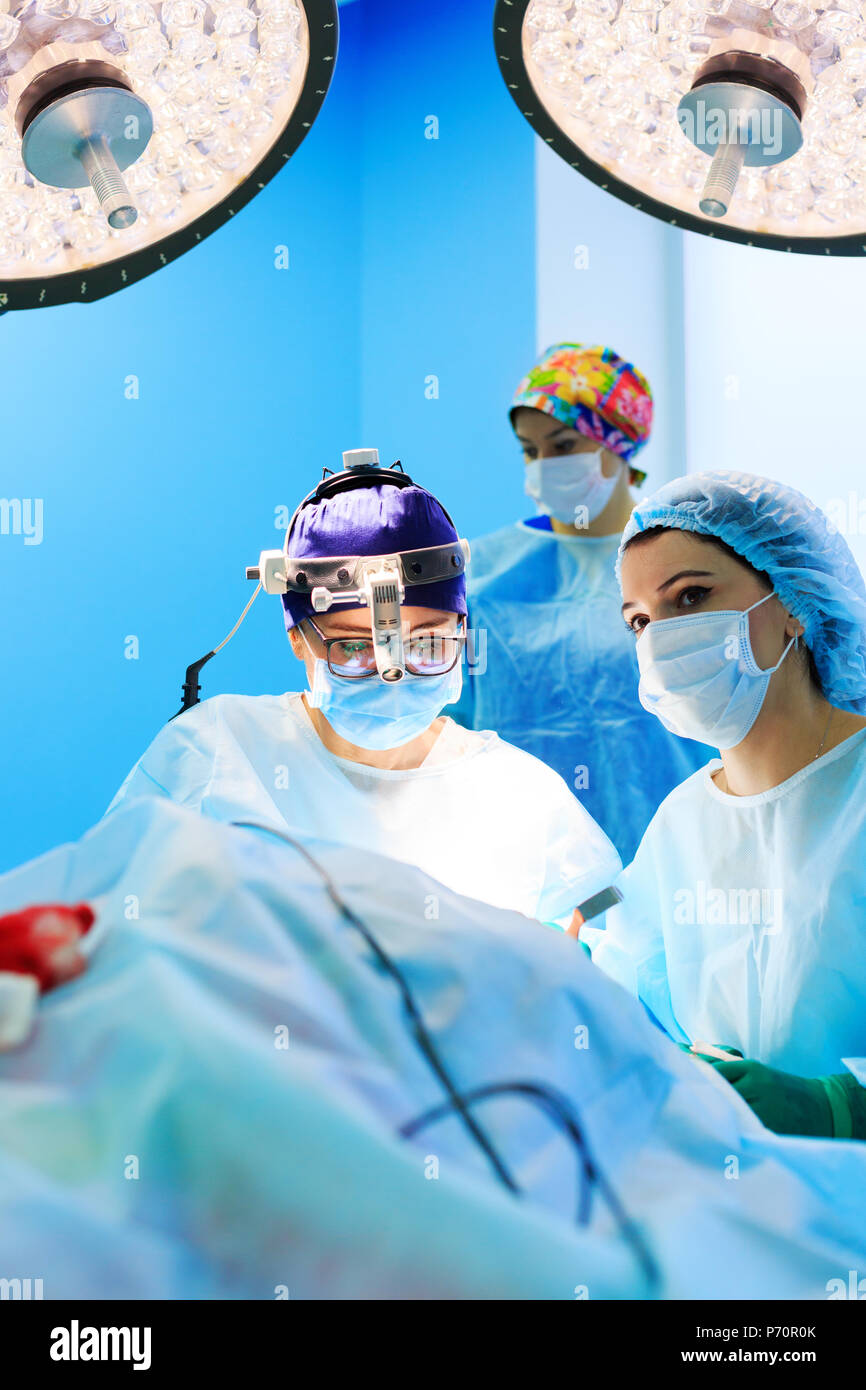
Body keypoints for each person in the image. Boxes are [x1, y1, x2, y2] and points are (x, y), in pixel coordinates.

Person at [107, 452, 621, 924]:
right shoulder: (220, 750)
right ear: (297, 640)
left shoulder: (519, 794)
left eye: (427, 644)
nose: (391, 677)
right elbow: (103, 922)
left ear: (463, 630)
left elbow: (606, 964)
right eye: (353, 649)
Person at [591, 469, 866, 1140]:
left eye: (690, 596)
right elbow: (628, 996)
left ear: (796, 600)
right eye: (639, 621)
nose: (658, 638)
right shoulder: (682, 822)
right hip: (747, 1206)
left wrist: (838, 1104)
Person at [451, 341, 709, 863]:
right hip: (523, 861)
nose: (544, 464)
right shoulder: (486, 573)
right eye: (530, 450)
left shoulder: (688, 564)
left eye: (564, 445)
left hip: (679, 854)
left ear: (618, 445)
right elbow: (450, 730)